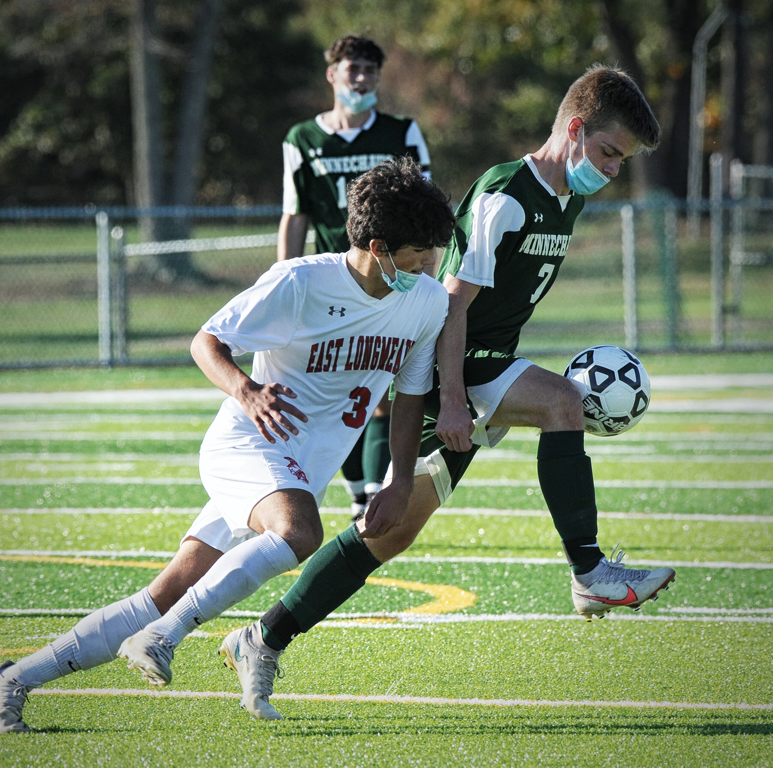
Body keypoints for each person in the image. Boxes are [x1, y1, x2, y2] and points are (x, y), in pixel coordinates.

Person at [222, 65, 678, 720]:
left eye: (621, 161)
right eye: (608, 152)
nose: (611, 170)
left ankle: (260, 639)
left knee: (388, 533)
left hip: (479, 367)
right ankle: (589, 572)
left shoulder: (566, 198)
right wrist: (457, 398)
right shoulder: (506, 194)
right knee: (563, 402)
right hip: (449, 366)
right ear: (575, 129)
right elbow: (453, 305)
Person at [0, 156, 456, 733]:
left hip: (300, 468)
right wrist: (247, 391)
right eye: (420, 251)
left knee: (164, 592)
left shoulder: (426, 301)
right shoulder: (301, 282)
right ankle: (165, 637)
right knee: (299, 533)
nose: (430, 263)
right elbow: (206, 342)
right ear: (378, 247)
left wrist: (399, 480)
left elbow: (409, 396)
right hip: (247, 445)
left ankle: (13, 678)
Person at [279, 34, 433, 519]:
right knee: (333, 391)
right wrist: (283, 279)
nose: (362, 78)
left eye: (370, 70)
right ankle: (357, 492)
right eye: (353, 68)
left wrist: (426, 275)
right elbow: (295, 215)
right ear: (332, 74)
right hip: (330, 282)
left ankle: (369, 497)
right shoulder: (303, 139)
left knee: (381, 388)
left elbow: (426, 212)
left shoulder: (402, 132)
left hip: (388, 280)